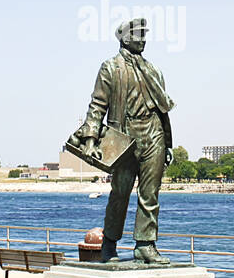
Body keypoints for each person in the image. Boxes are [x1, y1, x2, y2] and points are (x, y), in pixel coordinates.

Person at [71, 17, 175, 264]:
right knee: (120, 193)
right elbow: (97, 106)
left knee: (150, 194)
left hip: (154, 135)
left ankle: (145, 245)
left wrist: (168, 143)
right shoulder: (110, 67)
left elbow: (163, 111)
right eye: (139, 34)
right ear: (125, 37)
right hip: (125, 139)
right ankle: (109, 244)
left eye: (144, 34)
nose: (143, 38)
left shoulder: (154, 71)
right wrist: (89, 139)